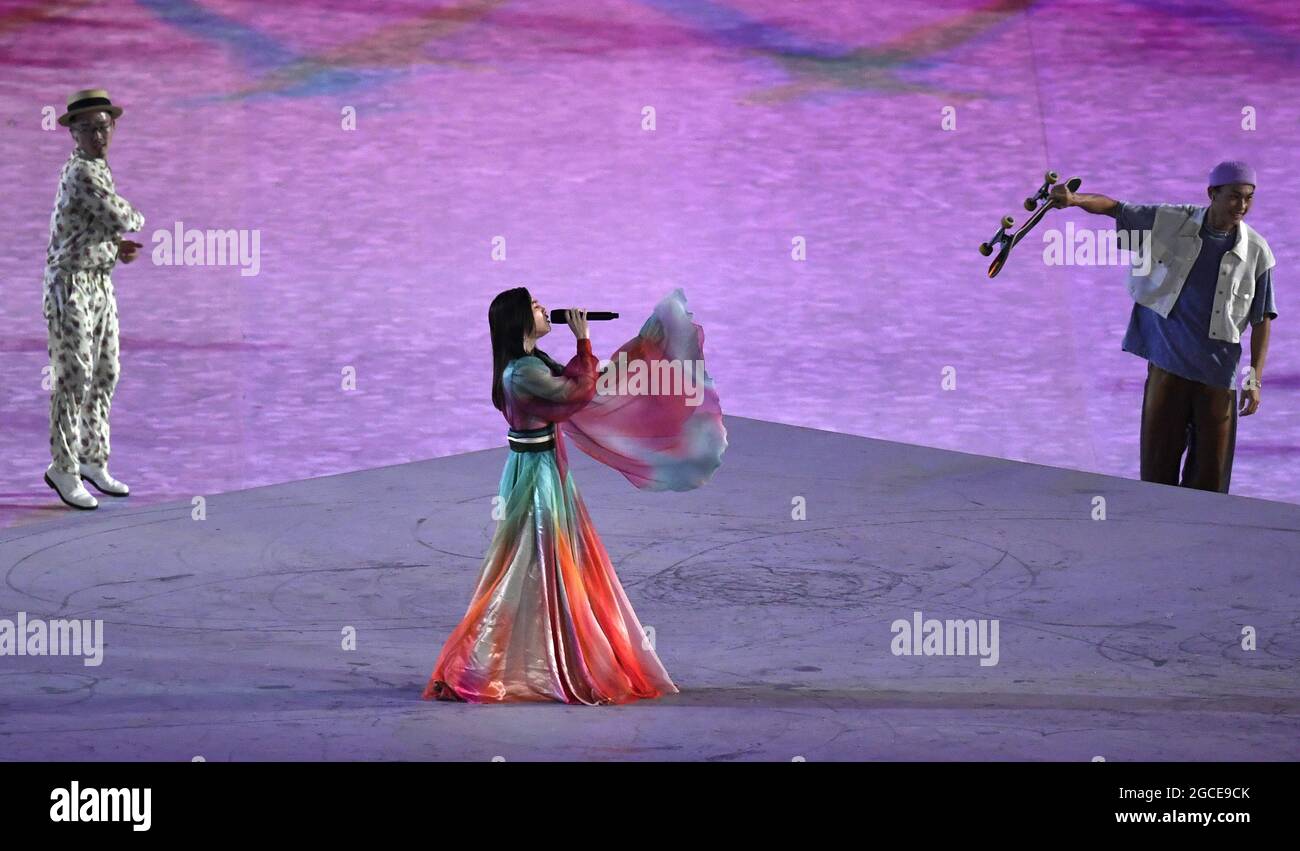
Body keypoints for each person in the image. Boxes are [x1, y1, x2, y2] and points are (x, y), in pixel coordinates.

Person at [423, 288, 727, 704]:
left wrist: (584, 351)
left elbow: (569, 383)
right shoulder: (522, 373)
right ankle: (492, 662)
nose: (545, 309)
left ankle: (540, 651)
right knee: (532, 561)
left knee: (545, 560)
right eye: (534, 306)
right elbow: (575, 394)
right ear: (519, 322)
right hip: (536, 475)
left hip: (544, 467)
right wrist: (583, 340)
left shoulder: (531, 365)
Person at [1051, 160, 1276, 493]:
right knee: (1156, 478)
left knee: (1211, 486)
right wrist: (1075, 200)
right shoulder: (1172, 221)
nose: (1241, 206)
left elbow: (1262, 319)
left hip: (1217, 380)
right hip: (1167, 372)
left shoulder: (1257, 252)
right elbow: (1116, 209)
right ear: (1212, 193)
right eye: (1234, 197)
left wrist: (1254, 378)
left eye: (1248, 198)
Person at [42, 88, 146, 510]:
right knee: (74, 377)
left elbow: (93, 225)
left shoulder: (98, 169)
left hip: (100, 281)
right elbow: (122, 215)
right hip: (71, 285)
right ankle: (63, 468)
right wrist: (128, 225)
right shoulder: (81, 173)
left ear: (112, 127)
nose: (97, 136)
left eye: (102, 127)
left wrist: (113, 246)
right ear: (74, 135)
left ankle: (92, 458)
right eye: (87, 129)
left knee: (105, 372)